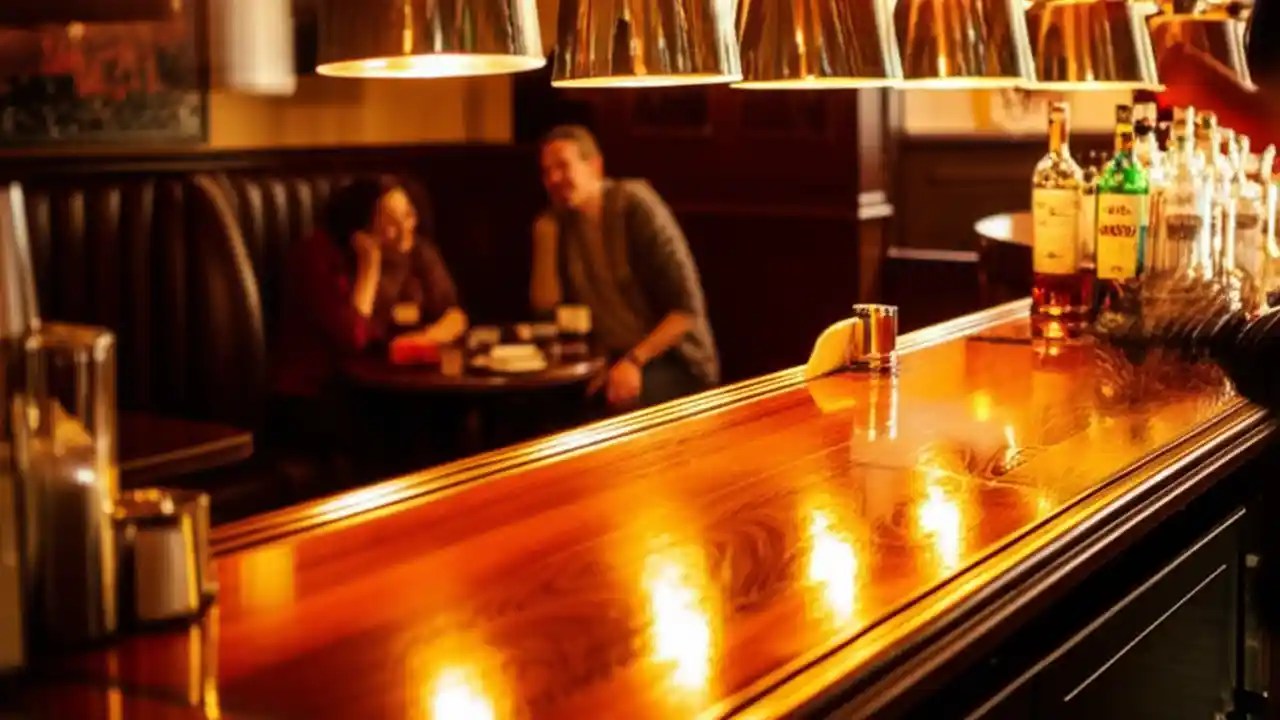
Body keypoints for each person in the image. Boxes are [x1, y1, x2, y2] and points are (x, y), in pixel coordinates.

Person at [531, 125, 720, 409]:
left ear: (594, 166)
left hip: (677, 362)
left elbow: (685, 312)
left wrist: (633, 361)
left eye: (562, 166)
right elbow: (546, 306)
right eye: (546, 172)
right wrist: (544, 237)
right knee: (546, 410)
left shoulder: (634, 204)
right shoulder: (562, 224)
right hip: (611, 360)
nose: (554, 179)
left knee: (610, 408)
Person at [271, 176, 468, 442]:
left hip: (385, 391)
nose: (404, 228)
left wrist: (423, 340)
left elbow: (454, 314)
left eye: (407, 216)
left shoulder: (417, 250)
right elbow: (353, 337)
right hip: (319, 394)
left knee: (451, 417)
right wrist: (369, 267)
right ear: (360, 230)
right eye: (389, 222)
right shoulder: (317, 256)